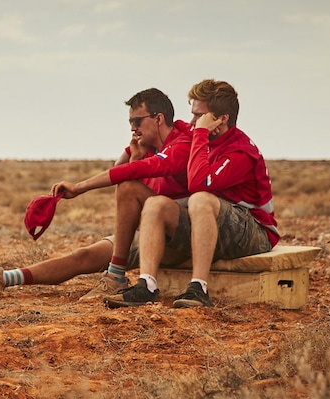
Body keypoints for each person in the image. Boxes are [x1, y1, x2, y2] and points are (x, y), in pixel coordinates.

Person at [0, 87, 192, 299]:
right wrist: (134, 153)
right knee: (83, 256)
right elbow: (121, 167)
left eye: (136, 121)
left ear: (158, 118)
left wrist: (79, 187)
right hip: (152, 233)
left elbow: (127, 176)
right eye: (129, 122)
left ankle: (116, 276)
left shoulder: (181, 145)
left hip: (179, 233)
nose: (132, 128)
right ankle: (3, 279)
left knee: (128, 187)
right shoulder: (149, 147)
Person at [105, 79, 278, 309]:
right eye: (192, 115)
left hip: (255, 233)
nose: (192, 122)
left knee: (201, 198)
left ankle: (199, 288)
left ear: (221, 118)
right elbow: (130, 163)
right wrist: (135, 149)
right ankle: (146, 285)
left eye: (199, 116)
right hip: (214, 226)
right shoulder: (201, 135)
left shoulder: (240, 151)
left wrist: (200, 134)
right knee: (156, 204)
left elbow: (198, 183)